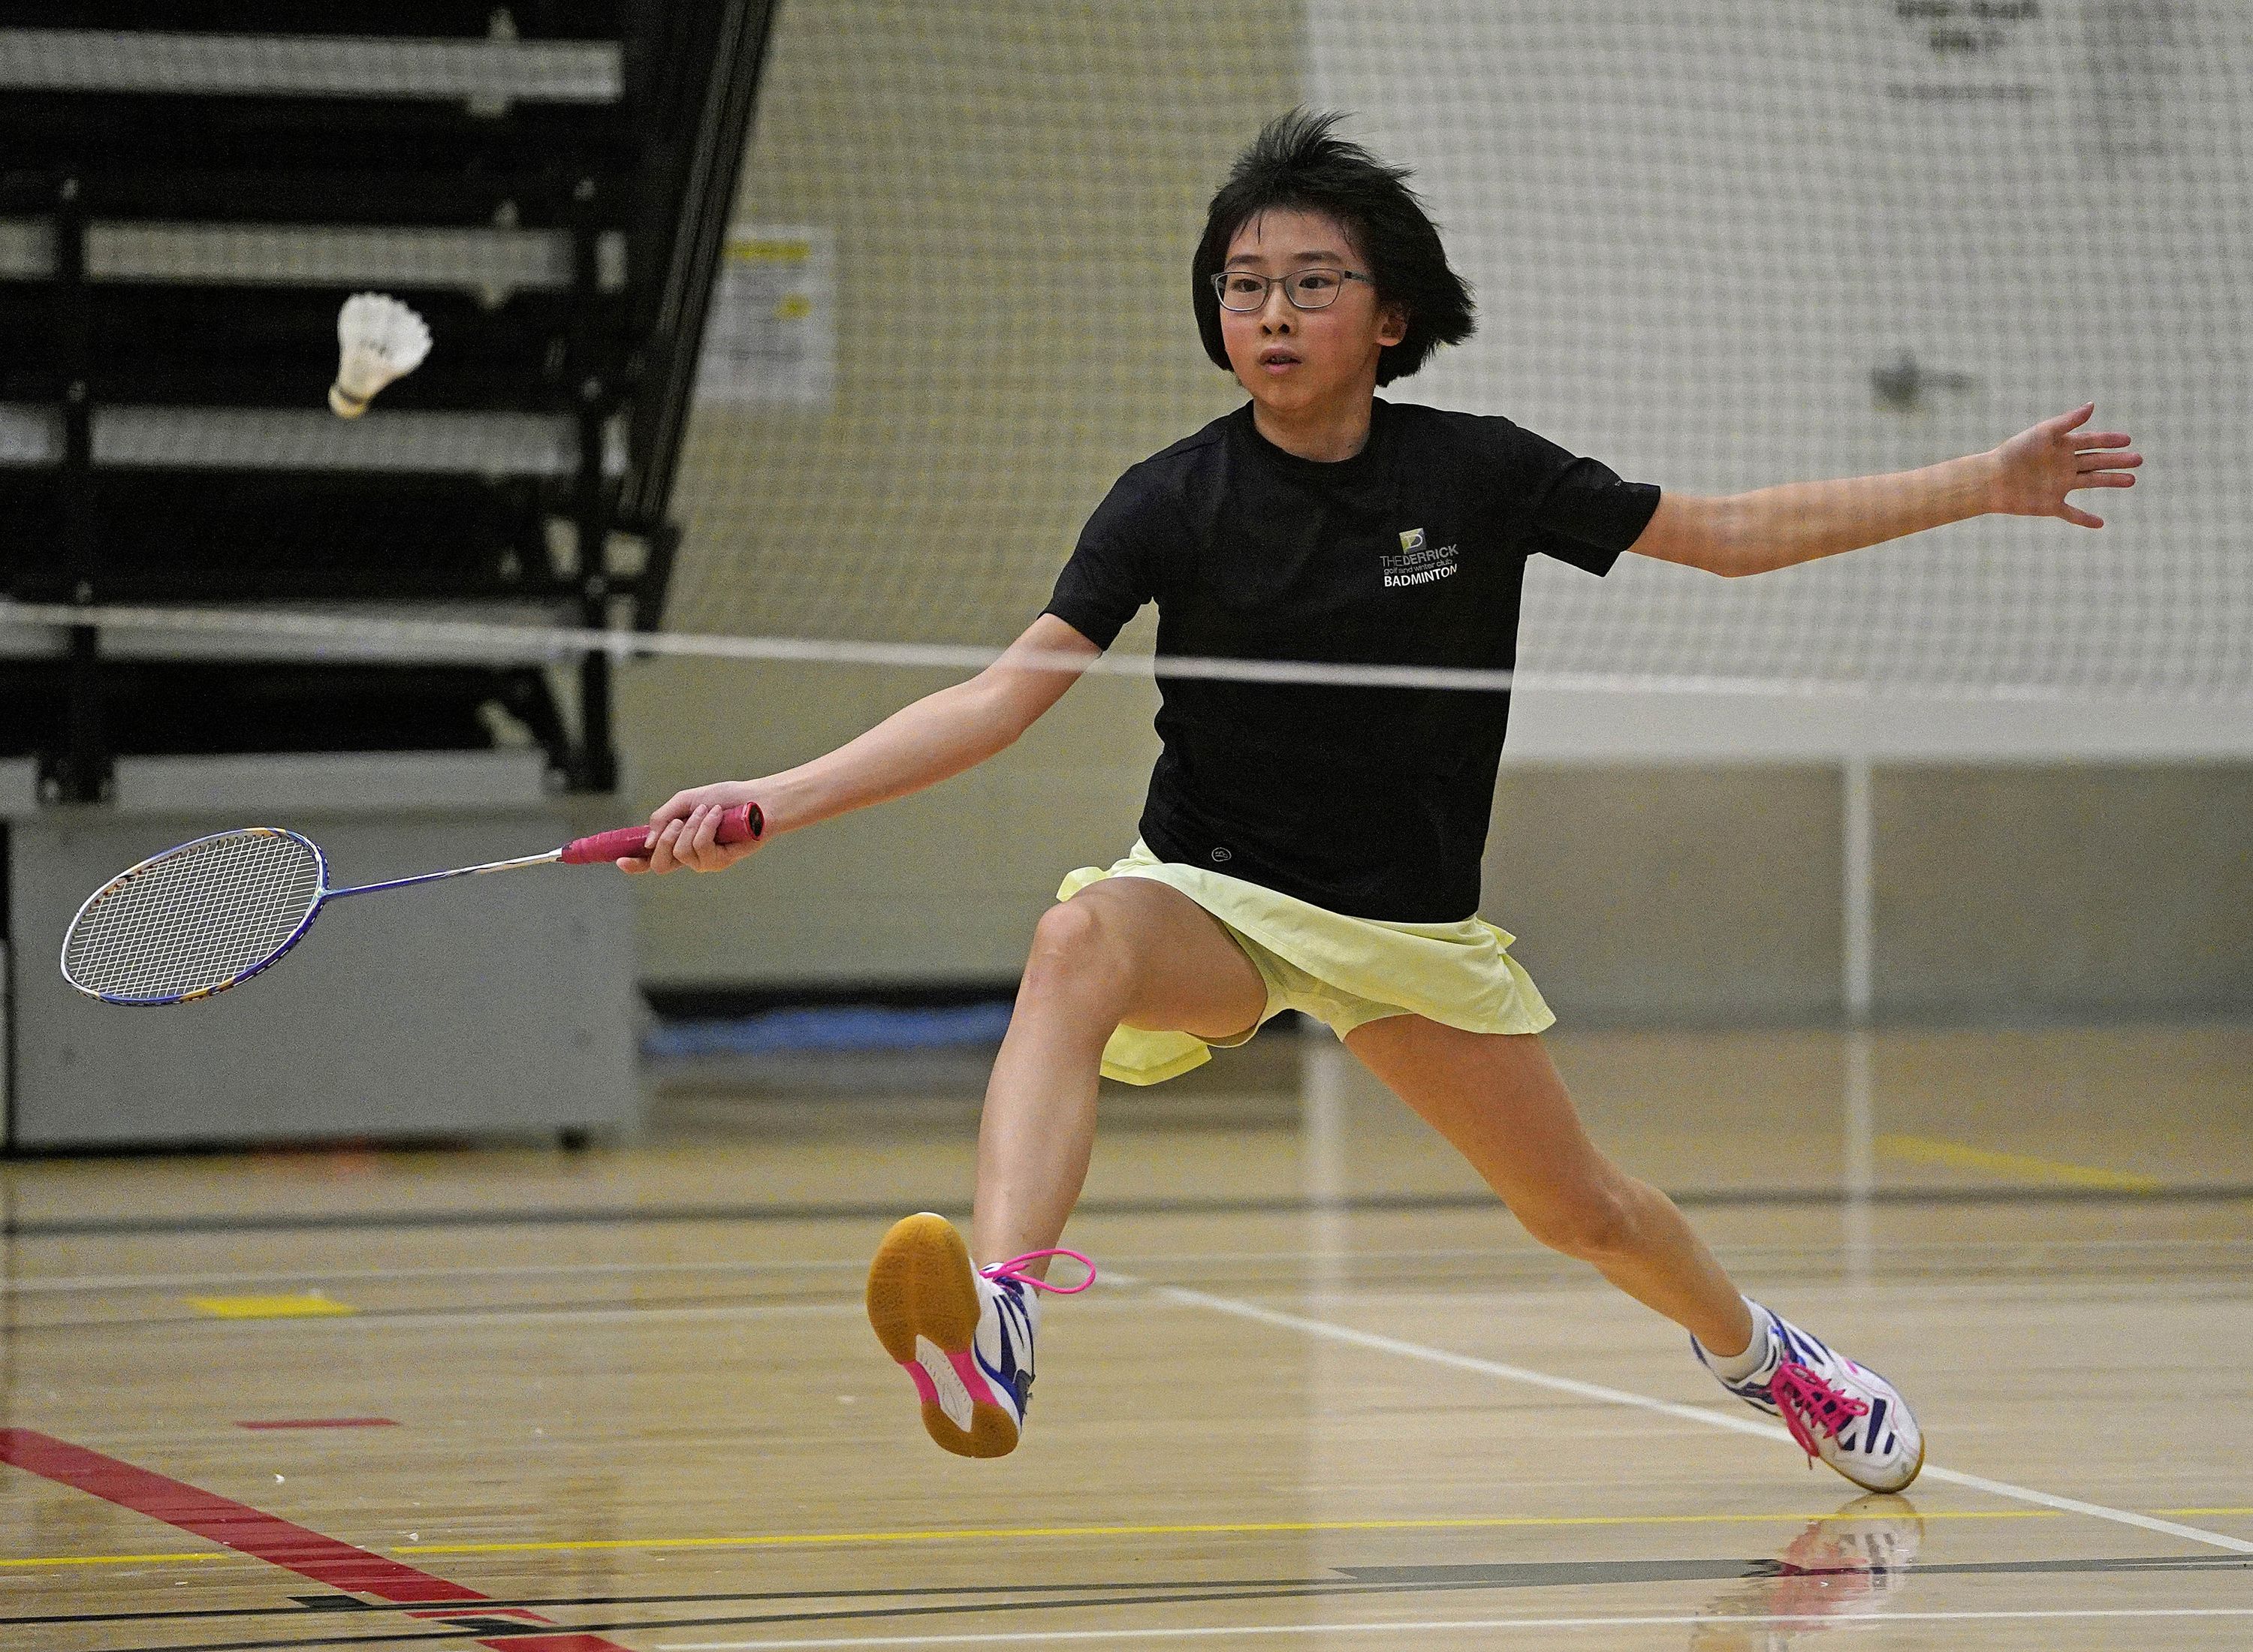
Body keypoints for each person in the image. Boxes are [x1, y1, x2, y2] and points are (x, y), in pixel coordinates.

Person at [626, 111, 2139, 1490]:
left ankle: (1767, 1357)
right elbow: (997, 697)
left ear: (1392, 316)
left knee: (1585, 1212)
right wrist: (775, 798)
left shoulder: (1480, 475)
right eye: (1243, 287)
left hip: (1406, 931)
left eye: (1311, 283)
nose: (1273, 313)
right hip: (1214, 895)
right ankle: (1005, 1312)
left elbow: (1729, 534)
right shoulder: (1171, 499)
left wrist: (1979, 481)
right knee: (1074, 942)